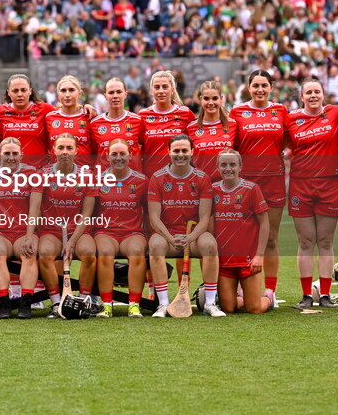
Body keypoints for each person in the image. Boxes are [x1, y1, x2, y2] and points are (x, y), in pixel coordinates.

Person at [229, 69, 288, 306]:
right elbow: (231, 145)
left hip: (273, 182)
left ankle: (270, 291)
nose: (260, 90)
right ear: (249, 87)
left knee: (271, 238)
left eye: (264, 85)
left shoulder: (281, 111)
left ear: (271, 87)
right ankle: (243, 288)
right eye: (256, 85)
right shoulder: (237, 112)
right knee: (244, 238)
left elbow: (289, 139)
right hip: (245, 184)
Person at [147, 134, 223, 317]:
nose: (180, 154)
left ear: (192, 152)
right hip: (168, 236)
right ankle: (163, 304)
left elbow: (204, 218)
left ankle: (211, 303)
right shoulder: (157, 178)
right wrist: (170, 238)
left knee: (210, 244)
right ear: (168, 152)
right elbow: (154, 217)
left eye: (184, 150)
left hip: (193, 236)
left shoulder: (202, 178)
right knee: (155, 245)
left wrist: (190, 238)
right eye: (176, 151)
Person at [23, 133, 98, 317]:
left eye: (69, 148)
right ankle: (57, 302)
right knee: (46, 254)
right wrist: (28, 236)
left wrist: (72, 242)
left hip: (78, 230)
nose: (65, 152)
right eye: (61, 148)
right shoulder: (42, 174)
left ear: (76, 151)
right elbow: (34, 208)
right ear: (53, 150)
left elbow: (87, 214)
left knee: (89, 253)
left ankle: (85, 299)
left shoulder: (87, 174)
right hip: (51, 229)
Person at [285, 79, 338, 309]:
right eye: (308, 92)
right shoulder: (291, 118)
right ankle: (307, 294)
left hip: (329, 185)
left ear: (323, 94)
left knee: (326, 241)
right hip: (301, 185)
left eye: (316, 92)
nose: (313, 96)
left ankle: (326, 294)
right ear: (302, 97)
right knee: (306, 240)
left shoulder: (336, 113)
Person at [93, 139, 149, 318]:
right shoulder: (97, 180)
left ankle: (134, 304)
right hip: (105, 231)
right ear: (107, 156)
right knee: (105, 253)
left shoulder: (142, 181)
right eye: (114, 154)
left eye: (122, 154)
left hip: (132, 232)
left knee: (137, 252)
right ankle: (106, 304)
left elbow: (149, 212)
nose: (118, 158)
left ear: (130, 155)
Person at [212, 150, 272, 314]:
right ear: (218, 167)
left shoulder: (252, 189)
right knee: (228, 308)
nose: (228, 168)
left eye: (233, 164)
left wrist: (259, 255)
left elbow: (265, 223)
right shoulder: (212, 190)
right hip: (224, 262)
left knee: (255, 309)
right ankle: (239, 298)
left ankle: (268, 299)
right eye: (223, 165)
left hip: (248, 260)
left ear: (240, 167)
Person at [0, 137, 36, 318]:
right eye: (6, 153)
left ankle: (26, 303)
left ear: (21, 155)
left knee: (28, 254)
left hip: (25, 230)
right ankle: (4, 304)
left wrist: (29, 236)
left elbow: (35, 208)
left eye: (15, 153)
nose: (10, 157)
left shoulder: (32, 174)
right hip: (0, 231)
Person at [139, 70, 196, 175]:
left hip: (180, 176)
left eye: (165, 87)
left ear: (173, 90)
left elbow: (195, 146)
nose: (161, 91)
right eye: (157, 87)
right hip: (151, 177)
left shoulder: (186, 114)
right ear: (151, 91)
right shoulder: (142, 116)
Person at [0, 74, 54, 164]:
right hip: (10, 171)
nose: (20, 94)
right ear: (8, 92)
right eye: (15, 91)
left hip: (38, 172)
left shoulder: (46, 109)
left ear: (30, 91)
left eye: (23, 90)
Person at [90, 77, 144, 171]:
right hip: (106, 181)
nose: (115, 96)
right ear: (105, 96)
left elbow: (145, 150)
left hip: (132, 181)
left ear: (125, 94)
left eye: (119, 92)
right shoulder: (95, 123)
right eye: (111, 92)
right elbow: (93, 154)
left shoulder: (138, 121)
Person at [186, 80, 234, 180]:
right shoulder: (190, 128)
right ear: (201, 99)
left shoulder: (233, 124)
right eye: (206, 98)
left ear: (221, 99)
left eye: (215, 98)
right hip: (200, 186)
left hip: (227, 185)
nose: (211, 102)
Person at [45, 75, 94, 165]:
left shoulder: (89, 116)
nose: (67, 95)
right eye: (63, 90)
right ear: (58, 94)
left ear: (80, 93)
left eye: (71, 90)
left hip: (83, 174)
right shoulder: (49, 118)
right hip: (57, 175)